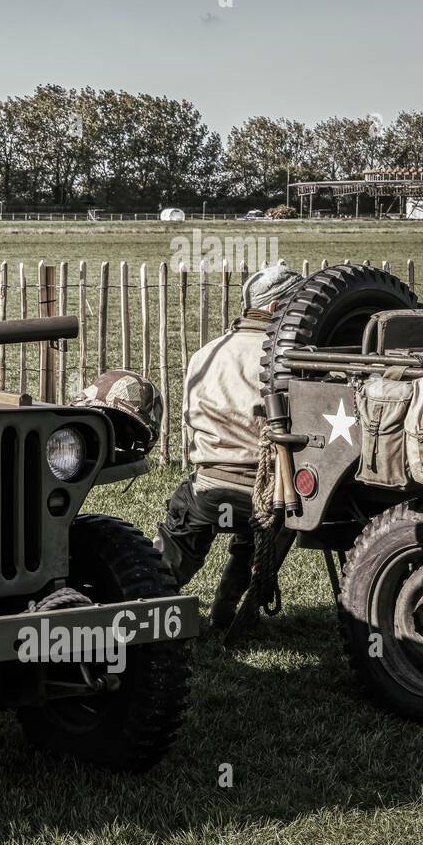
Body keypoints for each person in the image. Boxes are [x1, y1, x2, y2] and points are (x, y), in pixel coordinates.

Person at [153, 262, 305, 627]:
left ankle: (149, 601)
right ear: (274, 309)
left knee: (180, 535)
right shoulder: (287, 360)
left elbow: (191, 420)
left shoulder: (204, 355)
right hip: (269, 495)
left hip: (208, 488)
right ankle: (230, 608)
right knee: (257, 529)